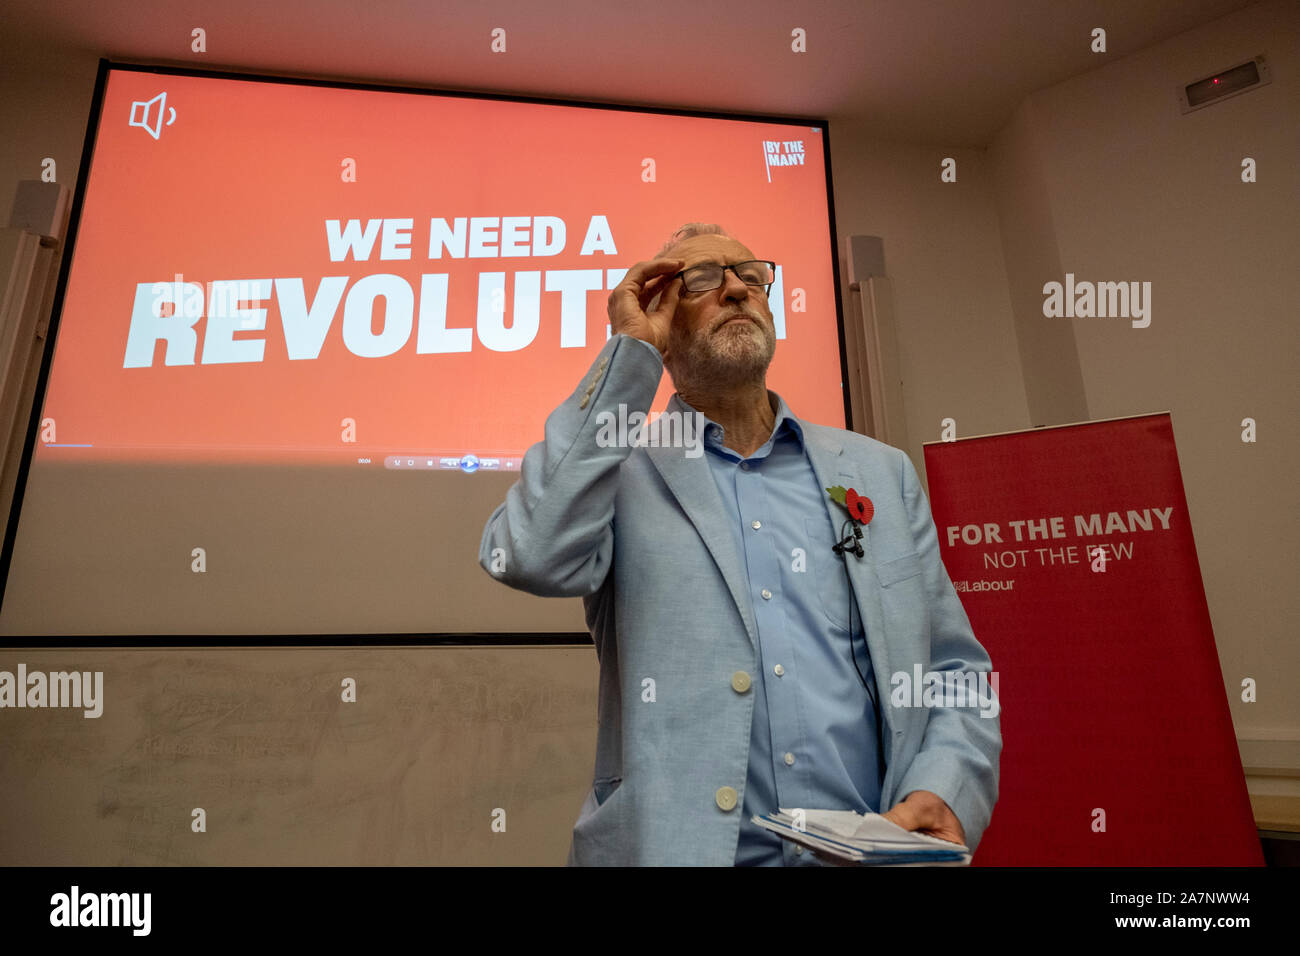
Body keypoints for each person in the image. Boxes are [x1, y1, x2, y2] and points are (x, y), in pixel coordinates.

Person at [479, 223, 1001, 866]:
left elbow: (954, 672)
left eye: (750, 274)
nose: (735, 290)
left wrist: (943, 785)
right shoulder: (618, 471)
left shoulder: (877, 473)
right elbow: (529, 551)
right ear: (661, 322)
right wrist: (628, 356)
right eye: (702, 279)